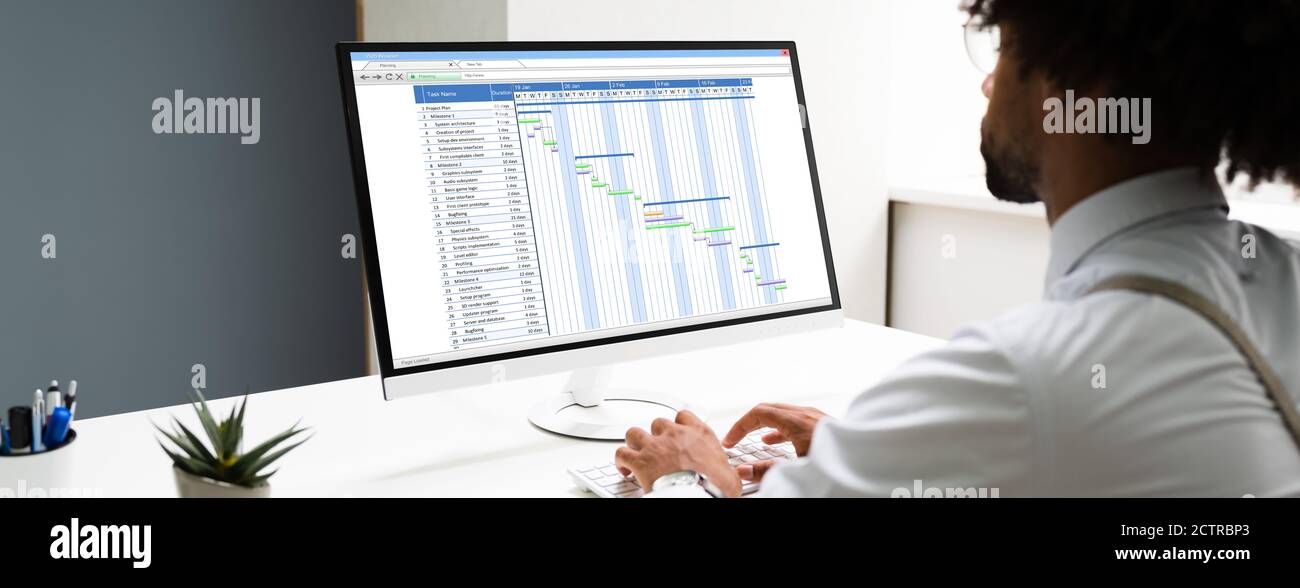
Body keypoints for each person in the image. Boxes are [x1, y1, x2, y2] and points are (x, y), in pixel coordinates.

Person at [615, 0, 1300, 498]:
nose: (986, 81)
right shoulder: (1285, 277)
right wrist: (879, 455)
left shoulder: (1021, 377)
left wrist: (690, 477)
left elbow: (1040, 419)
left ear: (1080, 84)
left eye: (1001, 43)